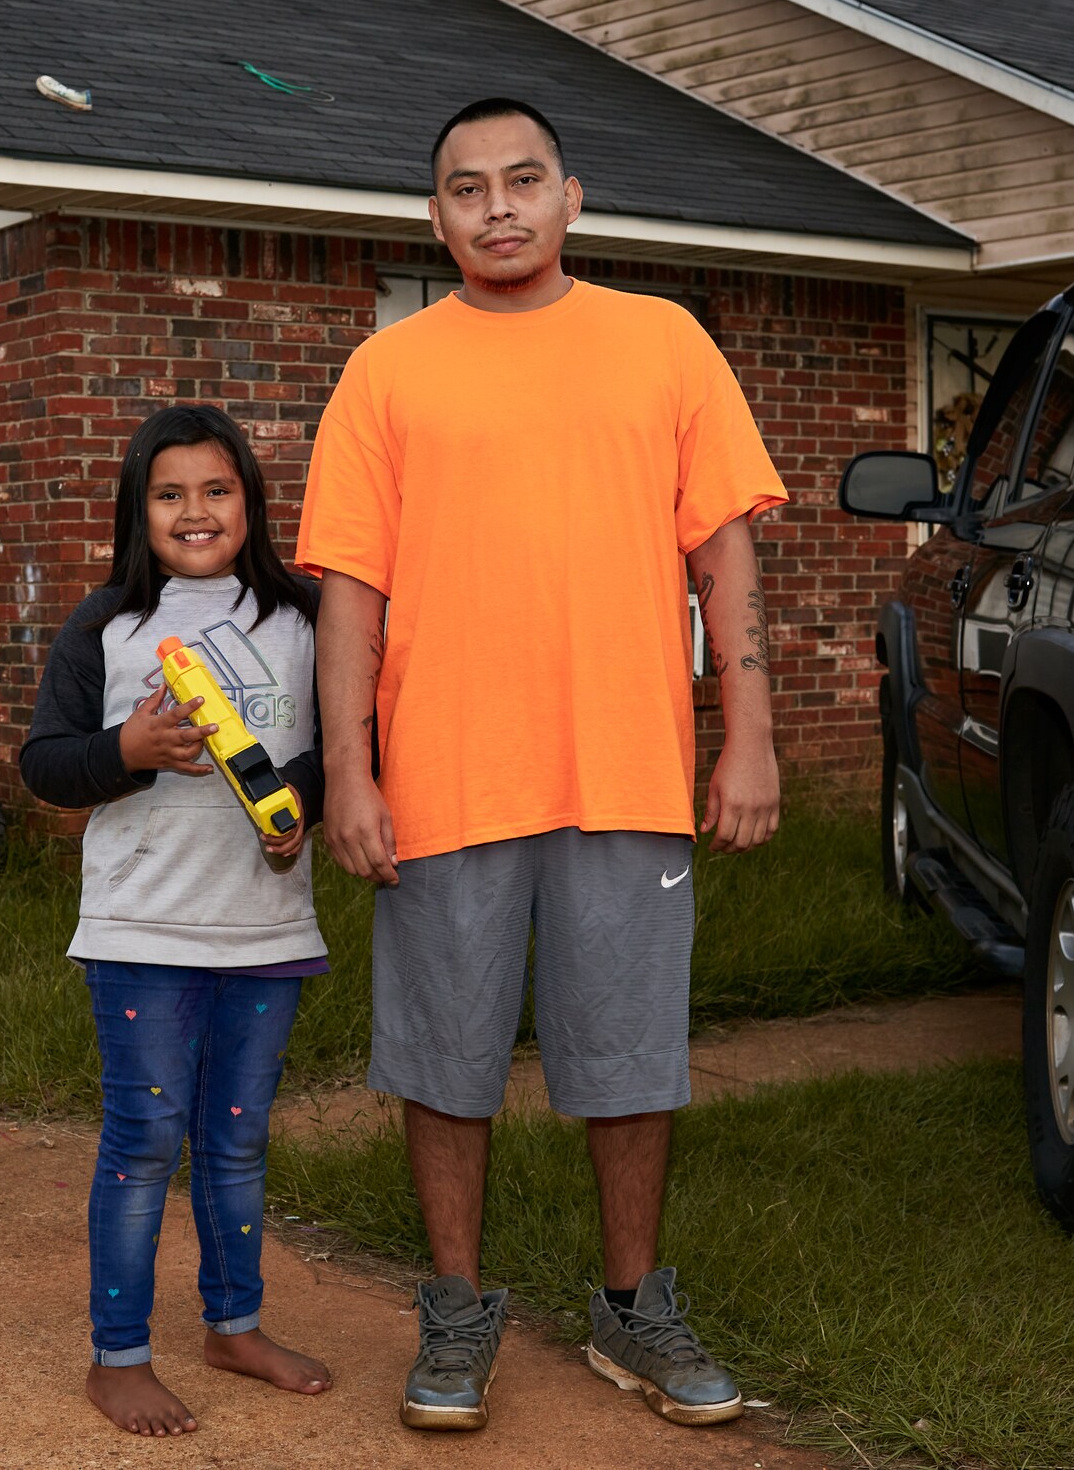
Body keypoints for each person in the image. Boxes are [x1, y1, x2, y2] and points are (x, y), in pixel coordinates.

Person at [297, 97, 786, 1432]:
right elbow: (348, 591)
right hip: (447, 777)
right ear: (436, 218)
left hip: (624, 766)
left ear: (575, 195)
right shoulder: (389, 374)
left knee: (631, 1056)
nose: (498, 208)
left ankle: (633, 1304)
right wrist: (351, 770)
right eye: (467, 189)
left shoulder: (663, 342)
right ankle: (455, 1312)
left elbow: (724, 552)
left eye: (523, 181)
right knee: (443, 1058)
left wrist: (749, 729)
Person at [20, 404, 334, 1437]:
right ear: (136, 509)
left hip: (266, 933)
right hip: (139, 933)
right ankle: (118, 1358)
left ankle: (232, 1325)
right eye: (168, 494)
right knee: (145, 1142)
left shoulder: (301, 614)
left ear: (249, 499)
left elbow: (336, 749)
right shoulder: (106, 623)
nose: (193, 511)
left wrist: (299, 813)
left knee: (236, 1149)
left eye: (215, 490)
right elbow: (44, 764)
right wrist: (129, 750)